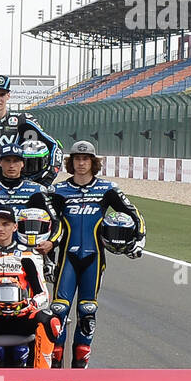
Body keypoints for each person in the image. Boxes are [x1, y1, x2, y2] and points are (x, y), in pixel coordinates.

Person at [49, 140, 146, 368]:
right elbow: (47, 222)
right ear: (70, 162)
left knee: (87, 311)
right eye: (77, 159)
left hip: (94, 259)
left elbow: (134, 214)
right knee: (59, 310)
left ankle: (80, 368)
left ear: (94, 162)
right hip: (65, 259)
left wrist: (139, 240)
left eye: (86, 159)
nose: (81, 163)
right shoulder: (58, 190)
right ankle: (55, 364)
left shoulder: (107, 189)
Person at [0, 206, 62, 369]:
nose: (1, 228)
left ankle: (42, 375)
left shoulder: (29, 255)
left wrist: (30, 304)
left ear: (15, 227)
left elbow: (42, 293)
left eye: (6, 224)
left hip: (20, 317)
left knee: (49, 319)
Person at [0, 144, 59, 250]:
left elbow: (56, 221)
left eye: (16, 161)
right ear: (0, 162)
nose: (11, 165)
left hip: (28, 250)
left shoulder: (37, 190)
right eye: (7, 160)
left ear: (22, 163)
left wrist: (51, 242)